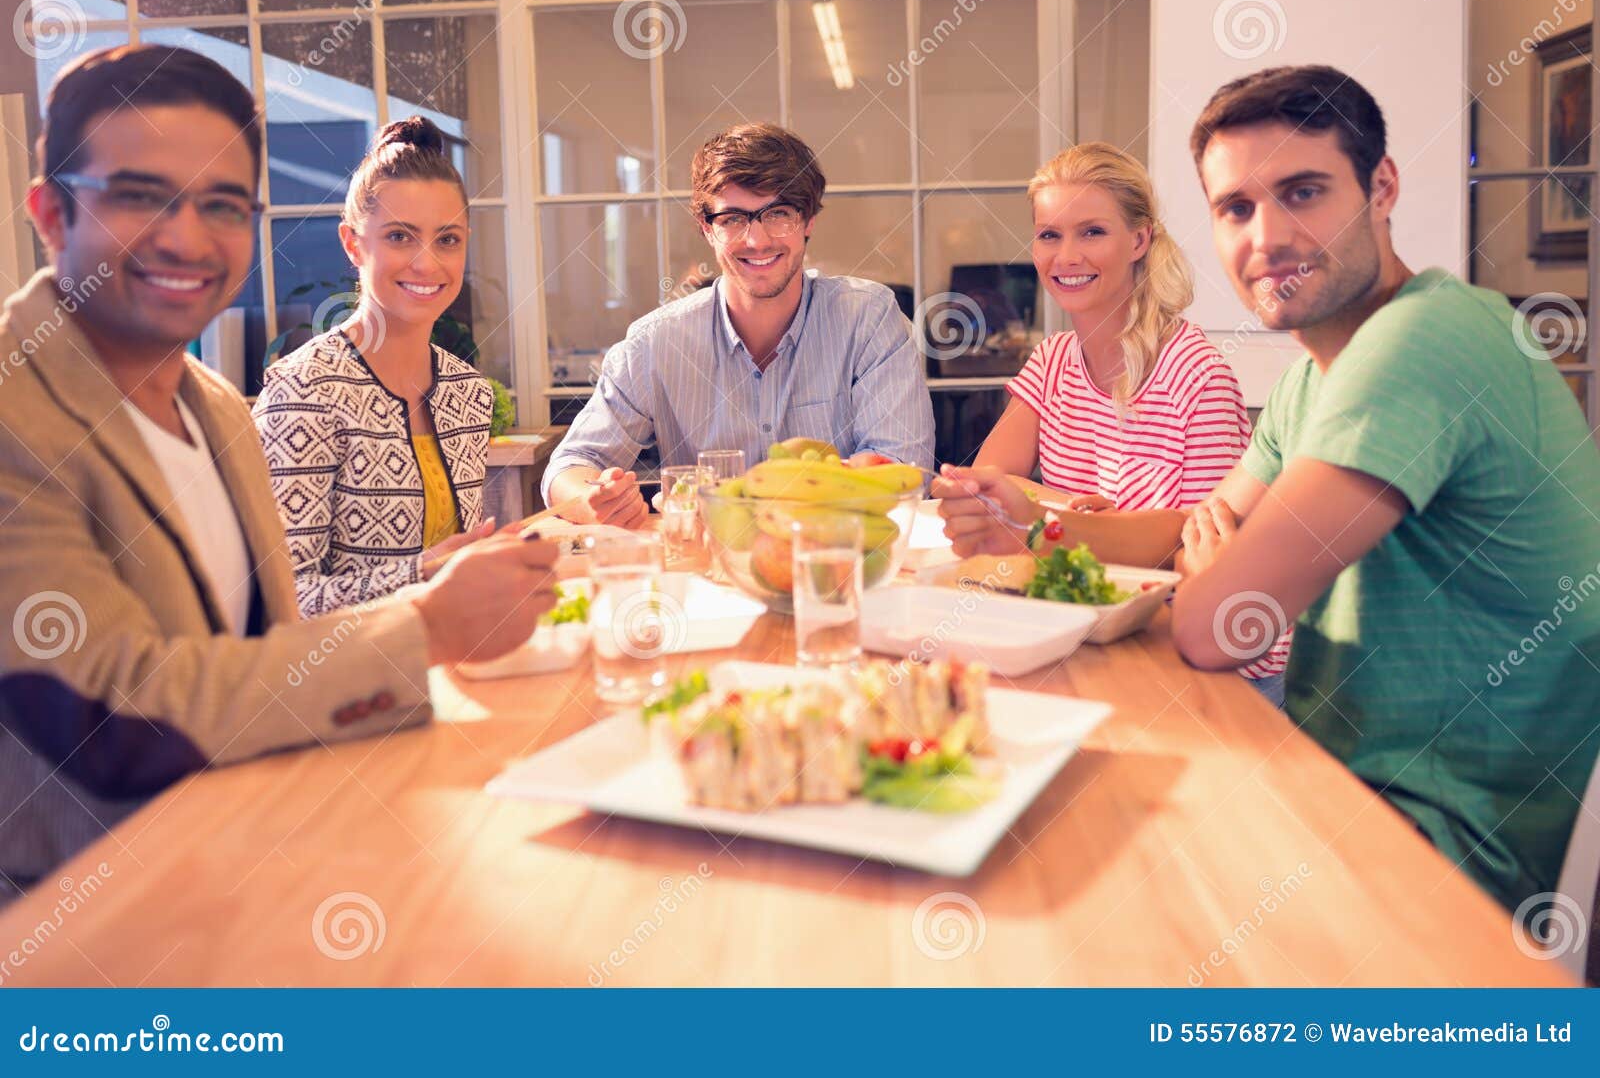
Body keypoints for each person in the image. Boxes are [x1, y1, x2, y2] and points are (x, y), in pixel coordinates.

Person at [943, 64, 1600, 912]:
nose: (1268, 236)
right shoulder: (1307, 381)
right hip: (1322, 770)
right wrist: (1150, 551)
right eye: (1236, 208)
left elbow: (1215, 625)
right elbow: (1191, 543)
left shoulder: (1426, 339)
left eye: (1304, 191)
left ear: (1382, 187)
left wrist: (1212, 567)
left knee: (1057, 879)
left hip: (1435, 852)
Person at [0, 45, 558, 899]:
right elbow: (111, 715)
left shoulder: (219, 407)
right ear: (49, 213)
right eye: (141, 195)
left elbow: (277, 649)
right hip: (86, 922)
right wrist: (428, 620)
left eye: (222, 204)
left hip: (265, 849)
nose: (185, 236)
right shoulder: (14, 411)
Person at [969, 141, 1288, 701]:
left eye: (1092, 231)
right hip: (1099, 635)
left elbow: (1197, 548)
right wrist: (1064, 507)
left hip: (1213, 661)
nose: (1066, 256)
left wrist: (1039, 516)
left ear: (1139, 239)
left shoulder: (1196, 373)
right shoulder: (1051, 362)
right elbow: (986, 487)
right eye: (1050, 234)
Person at [542, 123, 935, 525]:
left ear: (808, 221)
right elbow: (571, 465)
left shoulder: (868, 319)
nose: (757, 241)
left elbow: (905, 471)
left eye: (779, 213)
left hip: (838, 565)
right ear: (705, 228)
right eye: (732, 218)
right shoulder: (655, 342)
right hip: (705, 570)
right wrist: (593, 499)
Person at [254, 117, 498, 616]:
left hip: (455, 668)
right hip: (341, 685)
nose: (427, 264)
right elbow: (280, 601)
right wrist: (422, 574)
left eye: (447, 239)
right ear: (353, 243)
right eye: (400, 237)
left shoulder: (468, 392)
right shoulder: (304, 392)